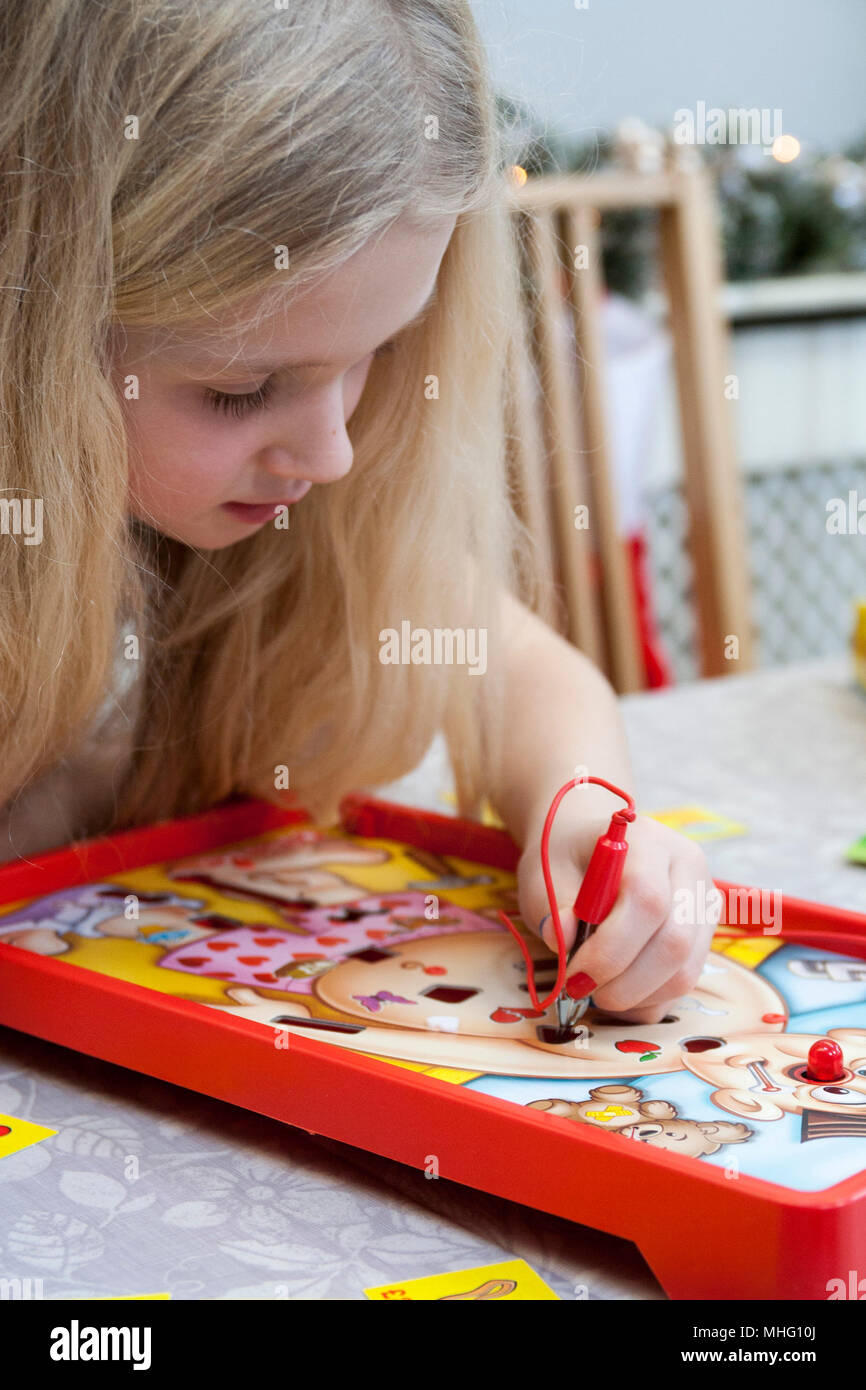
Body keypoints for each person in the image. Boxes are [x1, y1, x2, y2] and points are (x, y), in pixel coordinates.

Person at [0, 0, 715, 1025]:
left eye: (373, 354)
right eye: (241, 388)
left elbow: (517, 670)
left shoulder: (309, 508)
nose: (332, 453)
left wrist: (585, 811)